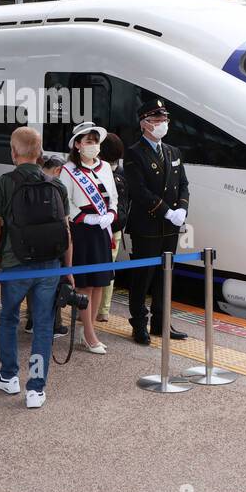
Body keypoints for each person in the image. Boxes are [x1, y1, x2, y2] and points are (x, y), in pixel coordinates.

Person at [0, 127, 73, 409]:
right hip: (49, 265)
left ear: (13, 152)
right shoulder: (56, 184)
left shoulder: (4, 183)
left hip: (15, 264)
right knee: (44, 324)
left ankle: (9, 376)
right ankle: (35, 388)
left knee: (9, 318)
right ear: (39, 153)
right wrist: (67, 269)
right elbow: (66, 231)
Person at [124, 98, 190, 343]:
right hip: (147, 226)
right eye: (157, 120)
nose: (162, 124)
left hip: (170, 227)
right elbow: (139, 191)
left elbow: (183, 184)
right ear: (144, 124)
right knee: (143, 276)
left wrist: (182, 209)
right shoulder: (133, 153)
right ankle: (139, 324)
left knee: (166, 275)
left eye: (164, 120)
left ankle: (161, 323)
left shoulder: (173, 151)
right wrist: (165, 210)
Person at [58, 122, 117, 354]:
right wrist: (85, 218)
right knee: (85, 283)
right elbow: (66, 203)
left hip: (103, 227)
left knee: (100, 281)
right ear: (78, 145)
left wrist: (111, 214)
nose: (93, 146)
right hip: (82, 230)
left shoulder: (105, 168)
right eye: (89, 141)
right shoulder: (68, 170)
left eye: (95, 141)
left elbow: (113, 196)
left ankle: (88, 331)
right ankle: (90, 333)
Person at [97, 132, 129, 322]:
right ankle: (104, 311)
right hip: (115, 229)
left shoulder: (98, 171)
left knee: (91, 268)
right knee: (109, 269)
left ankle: (88, 306)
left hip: (95, 227)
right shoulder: (123, 172)